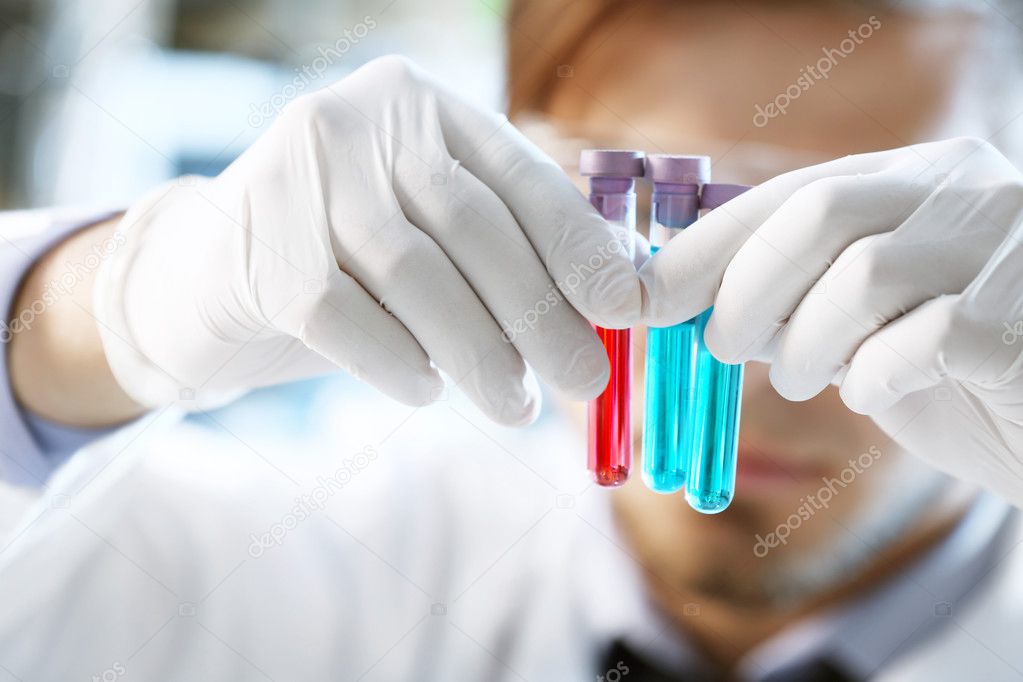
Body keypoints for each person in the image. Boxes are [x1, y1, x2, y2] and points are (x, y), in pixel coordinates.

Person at [0, 1, 1022, 680]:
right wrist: (103, 314)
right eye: (654, 228)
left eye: (870, 244)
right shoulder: (331, 561)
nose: (746, 367)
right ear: (510, 177)